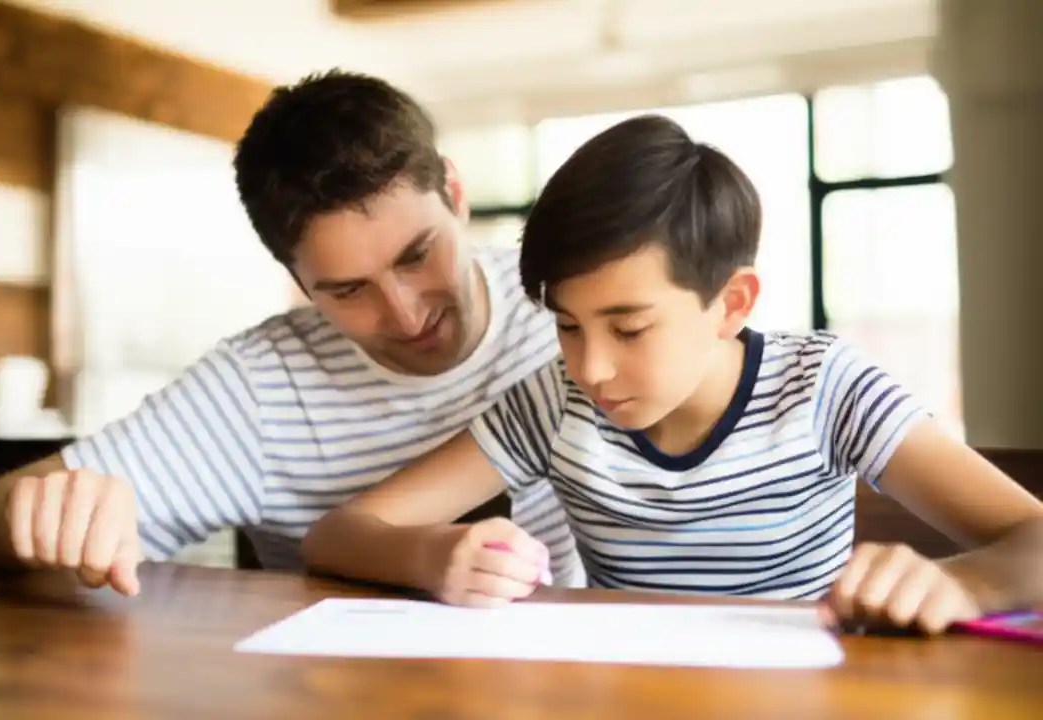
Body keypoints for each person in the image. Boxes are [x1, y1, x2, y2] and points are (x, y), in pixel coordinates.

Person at [302, 114, 1043, 634]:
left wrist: (959, 583)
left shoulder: (826, 388)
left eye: (629, 328)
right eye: (566, 326)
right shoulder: (553, 406)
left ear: (731, 303)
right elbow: (338, 534)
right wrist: (429, 554)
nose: (591, 367)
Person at [0, 70, 583, 594]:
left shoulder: (569, 310)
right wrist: (51, 511)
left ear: (454, 193)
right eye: (348, 290)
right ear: (295, 278)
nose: (405, 313)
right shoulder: (257, 389)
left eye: (417, 255)